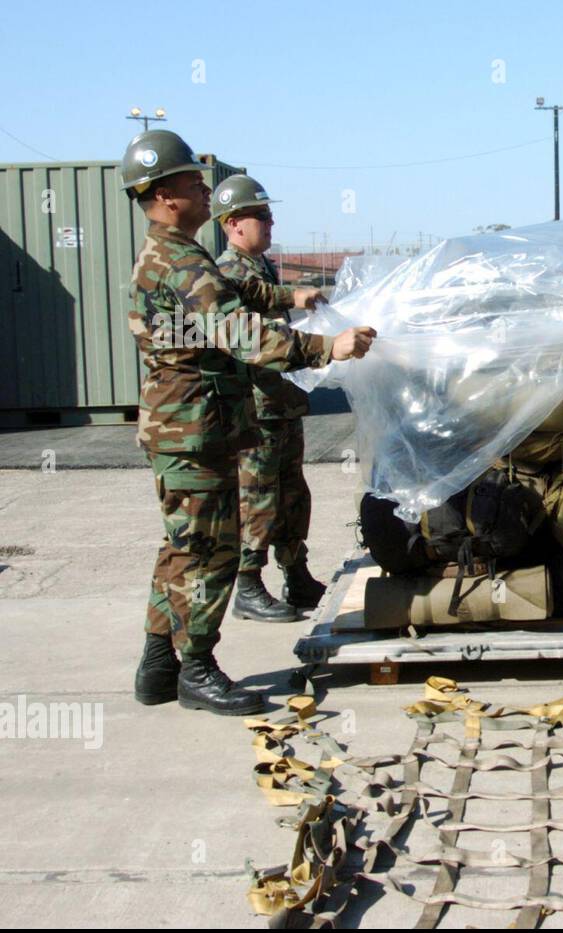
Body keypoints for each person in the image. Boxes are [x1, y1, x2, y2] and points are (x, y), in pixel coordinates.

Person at [122, 130, 375, 715]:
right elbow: (236, 330)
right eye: (191, 181)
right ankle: (197, 669)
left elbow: (240, 294)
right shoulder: (179, 260)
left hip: (178, 426)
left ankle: (158, 665)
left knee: (180, 548)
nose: (204, 189)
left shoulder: (168, 255)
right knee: (212, 551)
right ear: (163, 195)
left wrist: (294, 298)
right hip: (195, 428)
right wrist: (324, 349)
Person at [211, 175, 326, 623]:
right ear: (234, 222)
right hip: (257, 408)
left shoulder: (259, 266)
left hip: (279, 403)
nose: (270, 222)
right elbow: (249, 318)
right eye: (261, 215)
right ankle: (248, 584)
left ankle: (295, 573)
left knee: (291, 493)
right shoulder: (230, 271)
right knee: (257, 496)